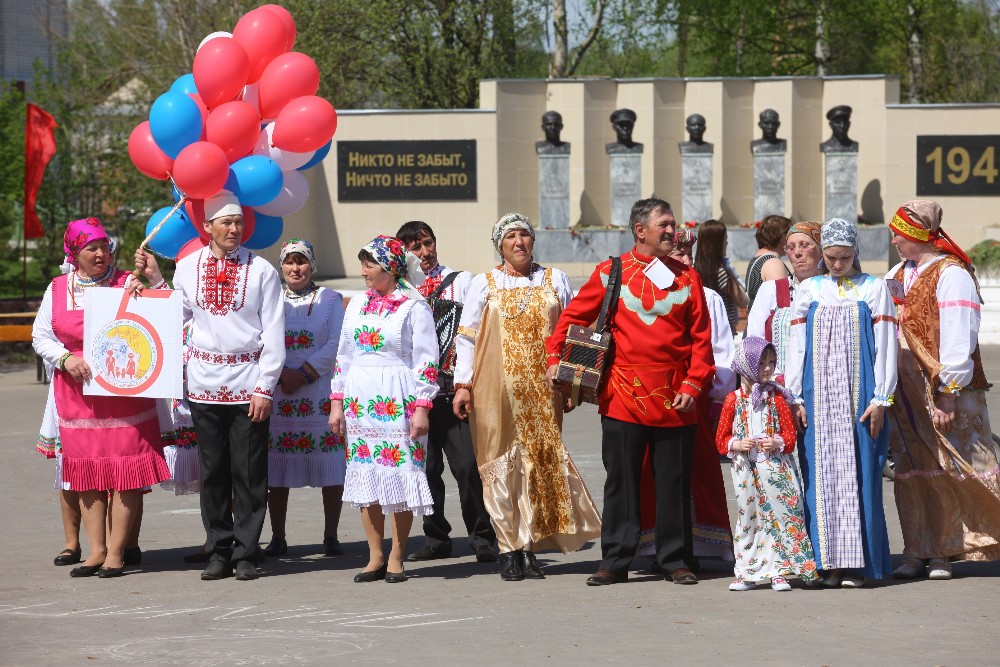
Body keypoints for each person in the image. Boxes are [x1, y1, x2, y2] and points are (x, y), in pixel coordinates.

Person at [546, 198, 715, 586]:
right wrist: (556, 357)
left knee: (673, 482)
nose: (673, 231)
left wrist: (694, 383)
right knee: (621, 482)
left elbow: (701, 340)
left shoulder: (688, 279)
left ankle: (675, 559)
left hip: (676, 396)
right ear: (641, 230)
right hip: (622, 393)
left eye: (673, 225)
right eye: (665, 225)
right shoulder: (611, 272)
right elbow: (572, 318)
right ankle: (616, 560)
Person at [454, 213, 601, 582]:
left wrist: (573, 384)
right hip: (494, 388)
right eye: (511, 237)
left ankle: (530, 546)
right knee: (498, 462)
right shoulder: (483, 283)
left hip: (543, 389)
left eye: (525, 235)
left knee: (537, 463)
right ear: (500, 245)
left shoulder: (555, 280)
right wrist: (462, 384)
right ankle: (508, 547)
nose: (519, 242)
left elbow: (574, 331)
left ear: (533, 241)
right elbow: (467, 337)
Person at [32, 217, 170, 578]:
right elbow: (40, 336)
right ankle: (96, 550)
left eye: (104, 246)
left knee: (125, 473)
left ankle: (117, 553)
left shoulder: (128, 282)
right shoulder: (59, 288)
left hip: (125, 395)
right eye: (90, 248)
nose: (99, 253)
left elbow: (167, 315)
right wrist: (66, 358)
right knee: (87, 474)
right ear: (74, 253)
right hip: (77, 394)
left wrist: (153, 282)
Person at [173, 191, 285, 582]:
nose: (234, 229)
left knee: (250, 472)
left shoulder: (262, 271)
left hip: (248, 381)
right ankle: (218, 549)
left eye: (238, 222)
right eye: (226, 222)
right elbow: (175, 318)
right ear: (207, 227)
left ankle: (247, 552)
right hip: (204, 383)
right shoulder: (186, 268)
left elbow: (274, 332)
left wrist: (265, 387)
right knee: (213, 471)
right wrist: (145, 287)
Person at [886, 200, 1000, 580]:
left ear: (917, 235)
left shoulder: (951, 274)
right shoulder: (900, 272)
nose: (894, 239)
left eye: (899, 233)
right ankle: (918, 548)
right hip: (906, 392)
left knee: (952, 464)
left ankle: (946, 552)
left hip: (942, 390)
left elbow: (958, 332)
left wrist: (948, 389)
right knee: (913, 468)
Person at [785, 217, 898, 588]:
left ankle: (860, 564)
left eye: (844, 257)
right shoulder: (810, 290)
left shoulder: (873, 288)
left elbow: (884, 343)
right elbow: (796, 346)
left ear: (856, 253)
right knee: (821, 475)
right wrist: (796, 396)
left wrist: (881, 397)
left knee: (862, 471)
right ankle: (828, 562)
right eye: (831, 257)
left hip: (860, 395)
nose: (837, 264)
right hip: (819, 398)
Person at [328, 235, 437, 584]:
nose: (363, 272)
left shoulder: (414, 306)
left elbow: (425, 359)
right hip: (361, 397)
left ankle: (397, 554)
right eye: (362, 264)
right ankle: (374, 554)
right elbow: (344, 355)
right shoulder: (357, 304)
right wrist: (337, 402)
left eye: (369, 264)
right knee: (366, 473)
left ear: (390, 267)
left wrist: (422, 407)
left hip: (397, 396)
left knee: (399, 472)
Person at [396, 221, 498, 564]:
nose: (424, 252)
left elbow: (478, 331)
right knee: (426, 469)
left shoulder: (462, 282)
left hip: (455, 392)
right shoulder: (400, 290)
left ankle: (482, 535)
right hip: (416, 395)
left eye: (427, 243)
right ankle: (436, 536)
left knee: (468, 466)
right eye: (415, 247)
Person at [635, 229, 735, 566]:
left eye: (688, 256)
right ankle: (654, 542)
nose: (686, 261)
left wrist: (716, 395)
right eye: (678, 256)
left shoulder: (708, 296)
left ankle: (701, 541)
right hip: (652, 394)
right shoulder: (646, 292)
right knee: (653, 469)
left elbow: (719, 351)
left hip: (696, 395)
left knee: (698, 467)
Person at [263, 239, 346, 558]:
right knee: (276, 469)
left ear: (312, 266)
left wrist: (304, 373)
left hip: (318, 392)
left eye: (301, 262)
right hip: (280, 391)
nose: (295, 268)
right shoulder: (270, 298)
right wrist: (283, 372)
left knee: (329, 465)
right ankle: (278, 536)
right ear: (281, 266)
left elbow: (338, 342)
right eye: (289, 262)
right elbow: (261, 336)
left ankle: (331, 536)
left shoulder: (330, 299)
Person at [717, 336, 817, 591]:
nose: (769, 368)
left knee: (782, 516)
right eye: (762, 363)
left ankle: (779, 571)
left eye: (772, 362)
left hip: (775, 469)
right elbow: (720, 439)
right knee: (750, 517)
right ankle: (748, 571)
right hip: (746, 472)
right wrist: (737, 444)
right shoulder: (733, 400)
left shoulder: (778, 398)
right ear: (747, 365)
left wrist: (777, 442)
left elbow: (790, 436)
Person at [745, 220, 824, 378]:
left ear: (821, 250)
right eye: (791, 247)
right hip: (778, 386)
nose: (797, 252)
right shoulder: (771, 290)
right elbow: (754, 341)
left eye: (804, 245)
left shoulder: (832, 291)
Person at [694, 219, 748, 333]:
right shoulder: (720, 272)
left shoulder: (695, 269)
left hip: (705, 328)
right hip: (723, 330)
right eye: (725, 239)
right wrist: (730, 272)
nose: (727, 243)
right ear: (717, 243)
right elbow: (743, 300)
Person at [744, 215, 791, 310]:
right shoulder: (773, 263)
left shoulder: (760, 258)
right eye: (789, 233)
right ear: (779, 235)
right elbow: (782, 305)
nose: (791, 238)